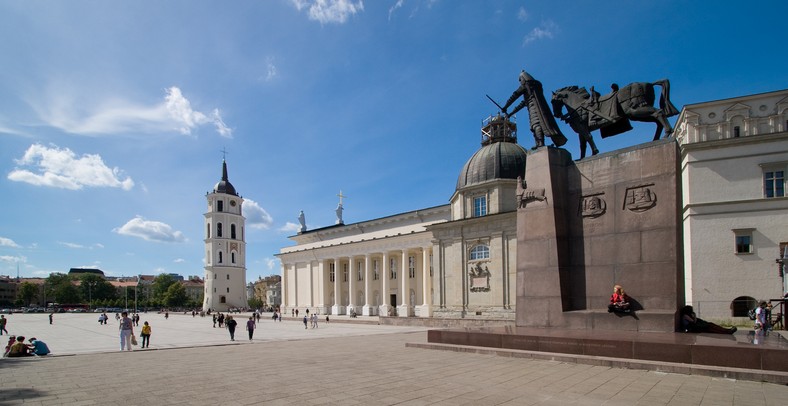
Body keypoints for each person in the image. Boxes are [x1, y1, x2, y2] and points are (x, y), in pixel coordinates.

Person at [501, 70, 568, 150]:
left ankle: (540, 143)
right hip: (537, 109)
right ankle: (538, 143)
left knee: (536, 125)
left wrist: (505, 106)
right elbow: (521, 105)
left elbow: (515, 95)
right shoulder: (535, 91)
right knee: (534, 127)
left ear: (523, 79)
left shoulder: (526, 86)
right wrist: (510, 114)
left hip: (535, 110)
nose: (520, 82)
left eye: (520, 80)